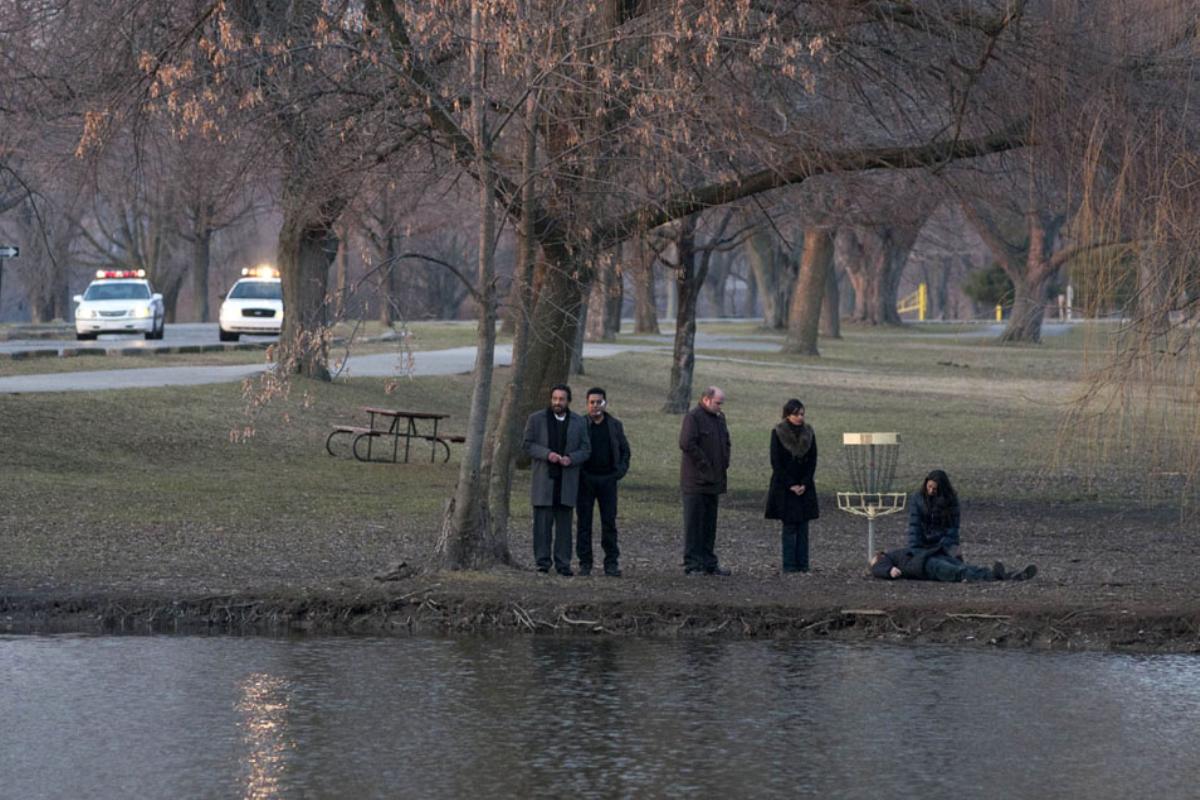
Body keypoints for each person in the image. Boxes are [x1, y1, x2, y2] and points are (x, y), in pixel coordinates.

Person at [523, 384, 591, 576]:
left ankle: (563, 563)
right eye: (554, 398)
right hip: (544, 480)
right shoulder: (536, 419)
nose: (557, 402)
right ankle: (542, 562)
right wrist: (547, 454)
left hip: (567, 481)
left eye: (561, 399)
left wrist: (571, 458)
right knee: (542, 525)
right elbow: (527, 445)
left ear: (568, 401)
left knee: (564, 526)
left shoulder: (578, 422)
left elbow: (586, 449)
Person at [576, 387, 631, 577]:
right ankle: (585, 563)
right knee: (584, 523)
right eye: (592, 402)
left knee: (609, 523)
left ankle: (611, 563)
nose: (595, 406)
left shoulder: (615, 425)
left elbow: (625, 451)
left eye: (599, 402)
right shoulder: (580, 424)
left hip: (608, 480)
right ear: (587, 404)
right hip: (586, 480)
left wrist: (619, 472)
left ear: (605, 403)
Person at [679, 386, 732, 576]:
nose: (720, 407)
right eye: (718, 403)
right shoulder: (693, 418)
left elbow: (725, 441)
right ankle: (693, 564)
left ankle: (709, 561)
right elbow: (686, 443)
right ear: (706, 399)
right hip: (695, 482)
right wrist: (704, 465)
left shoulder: (719, 419)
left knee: (709, 524)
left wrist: (724, 461)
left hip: (714, 481)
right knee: (694, 524)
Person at [764, 398, 819, 573]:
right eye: (797, 414)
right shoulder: (778, 432)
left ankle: (803, 564)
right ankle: (789, 565)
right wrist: (790, 484)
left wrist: (804, 482)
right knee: (789, 526)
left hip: (805, 485)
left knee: (803, 526)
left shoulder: (809, 432)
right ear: (788, 414)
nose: (800, 417)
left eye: (802, 414)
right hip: (784, 485)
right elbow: (776, 461)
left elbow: (813, 460)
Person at [870, 546, 1037, 583]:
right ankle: (996, 576)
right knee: (958, 571)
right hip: (925, 566)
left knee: (963, 567)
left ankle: (1002, 575)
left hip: (929, 558)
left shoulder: (889, 555)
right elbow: (877, 569)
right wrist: (889, 570)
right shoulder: (884, 561)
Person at [907, 469, 962, 557]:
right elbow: (914, 526)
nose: (931, 491)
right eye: (929, 486)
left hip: (945, 543)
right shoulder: (917, 499)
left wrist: (942, 547)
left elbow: (953, 528)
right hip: (924, 542)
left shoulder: (951, 501)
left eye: (935, 489)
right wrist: (914, 548)